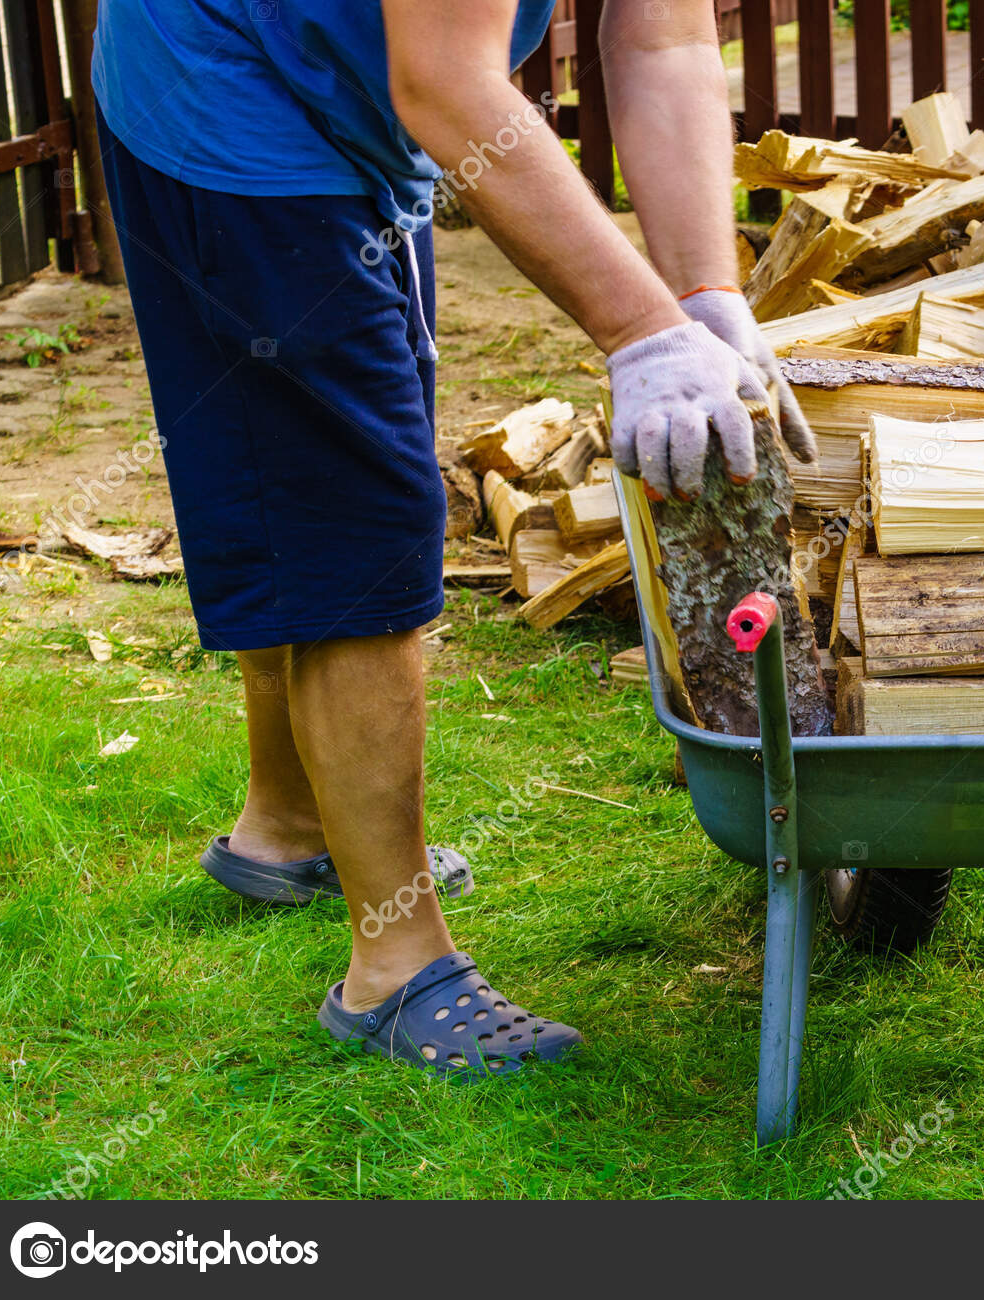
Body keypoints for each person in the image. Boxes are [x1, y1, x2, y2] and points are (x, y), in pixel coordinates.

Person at [90, 0, 813, 1079]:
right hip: (225, 85)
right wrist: (637, 330)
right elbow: (444, 84)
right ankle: (396, 970)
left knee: (325, 465)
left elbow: (661, 42)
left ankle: (288, 827)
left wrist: (702, 294)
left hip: (349, 79)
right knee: (353, 504)